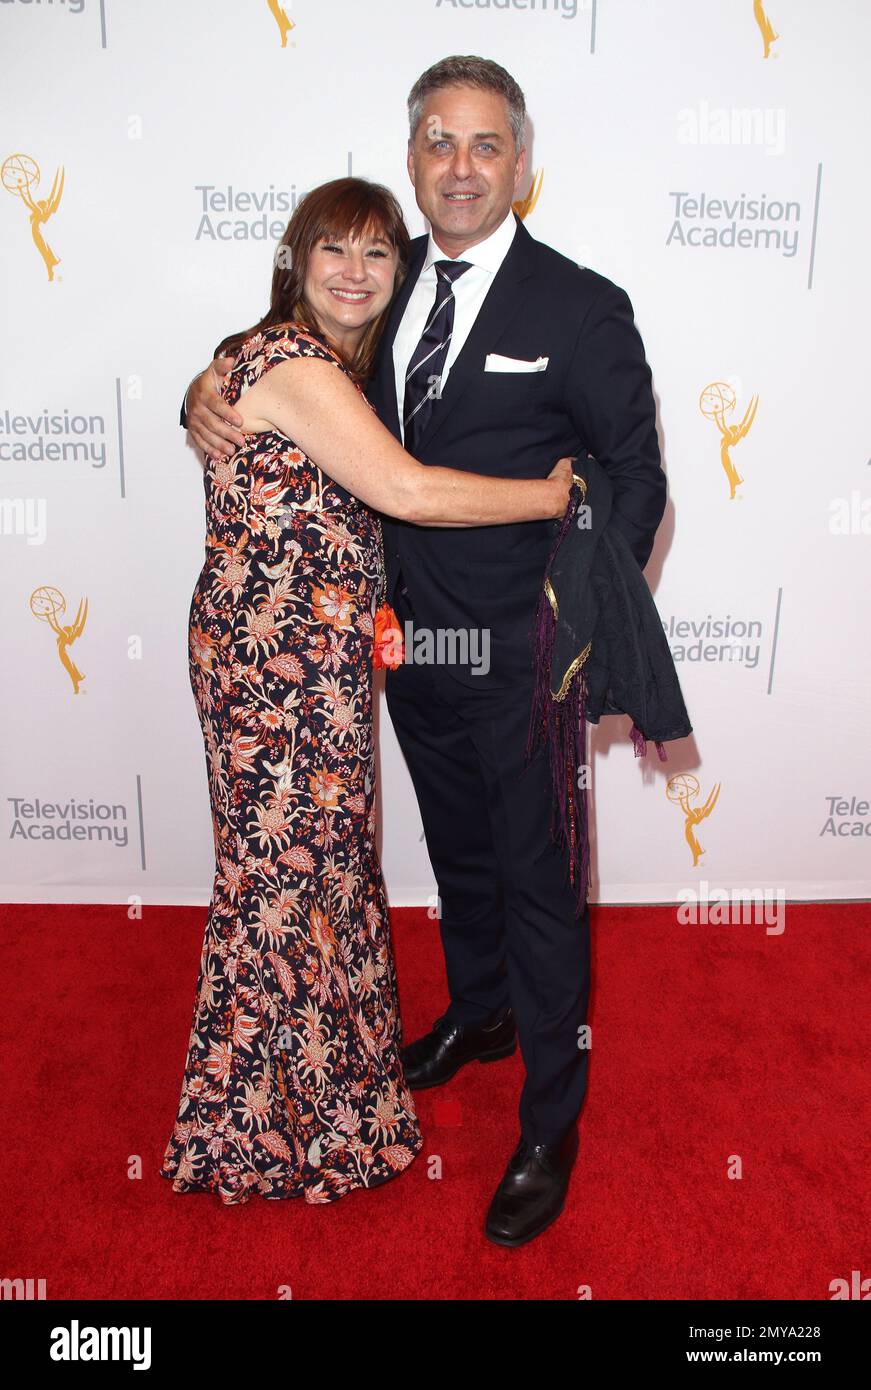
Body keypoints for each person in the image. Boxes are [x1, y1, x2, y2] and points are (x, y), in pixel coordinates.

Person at [185, 55, 667, 1246]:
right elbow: (287, 366)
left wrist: (579, 638)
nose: (460, 165)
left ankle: (550, 1118)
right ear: (410, 162)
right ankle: (482, 1013)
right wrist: (202, 384)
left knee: (544, 887)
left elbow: (637, 484)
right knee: (460, 855)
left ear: (522, 164)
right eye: (438, 142)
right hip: (403, 650)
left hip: (523, 653)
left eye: (485, 144)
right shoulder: (380, 290)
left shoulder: (581, 306)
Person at [164, 175, 573, 1207]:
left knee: (317, 870)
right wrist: (555, 494)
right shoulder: (293, 364)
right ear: (294, 266)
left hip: (315, 661)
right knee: (286, 879)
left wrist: (197, 389)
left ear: (399, 270)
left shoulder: (327, 366)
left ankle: (327, 1092)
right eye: (331, 251)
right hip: (273, 671)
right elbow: (404, 489)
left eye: (375, 254)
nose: (353, 272)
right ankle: (268, 1127)